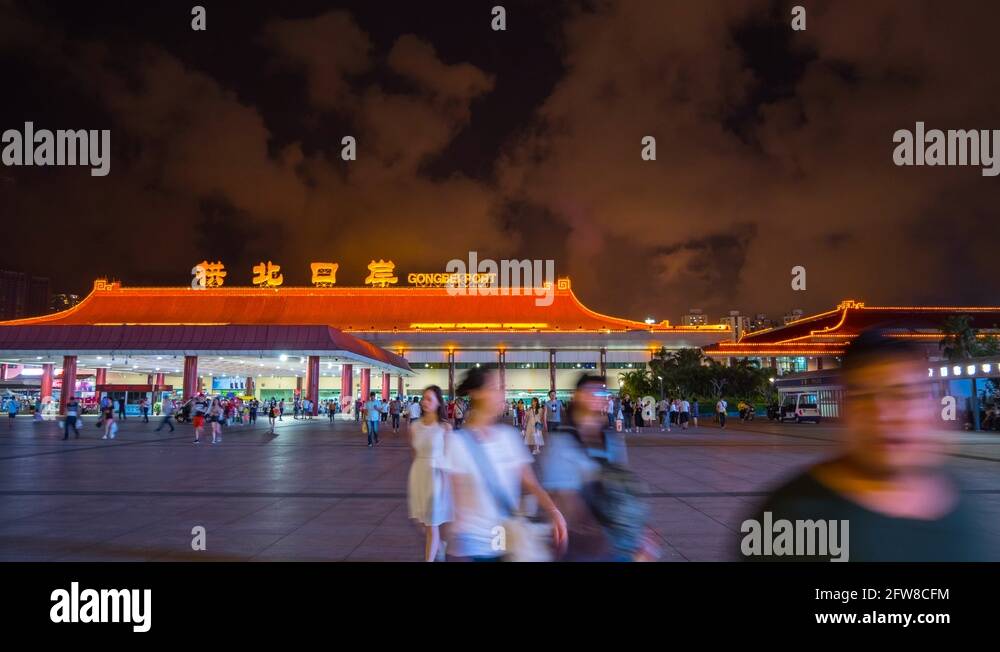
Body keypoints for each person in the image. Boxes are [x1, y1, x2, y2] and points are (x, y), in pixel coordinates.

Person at [745, 331, 992, 561]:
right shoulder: (791, 517)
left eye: (901, 395)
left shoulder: (959, 502)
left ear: (931, 408)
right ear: (845, 413)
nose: (882, 414)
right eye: (862, 398)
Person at [440, 368, 567, 561]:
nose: (502, 393)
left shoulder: (509, 437)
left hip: (506, 541)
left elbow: (531, 483)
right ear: (477, 393)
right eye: (495, 387)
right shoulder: (457, 443)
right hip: (474, 546)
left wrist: (554, 512)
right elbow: (453, 504)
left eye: (502, 388)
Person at [540, 375, 658, 561]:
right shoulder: (562, 442)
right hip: (582, 546)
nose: (600, 396)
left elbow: (622, 486)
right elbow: (563, 498)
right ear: (579, 396)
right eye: (594, 391)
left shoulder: (611, 439)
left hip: (616, 541)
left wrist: (639, 531)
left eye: (603, 392)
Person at [408, 385, 454, 562]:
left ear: (438, 403)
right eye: (423, 398)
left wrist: (446, 481)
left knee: (431, 524)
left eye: (429, 399)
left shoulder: (445, 428)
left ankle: (430, 557)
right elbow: (414, 451)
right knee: (421, 521)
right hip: (419, 474)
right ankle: (439, 545)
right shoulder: (414, 426)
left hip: (437, 476)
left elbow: (449, 457)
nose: (424, 402)